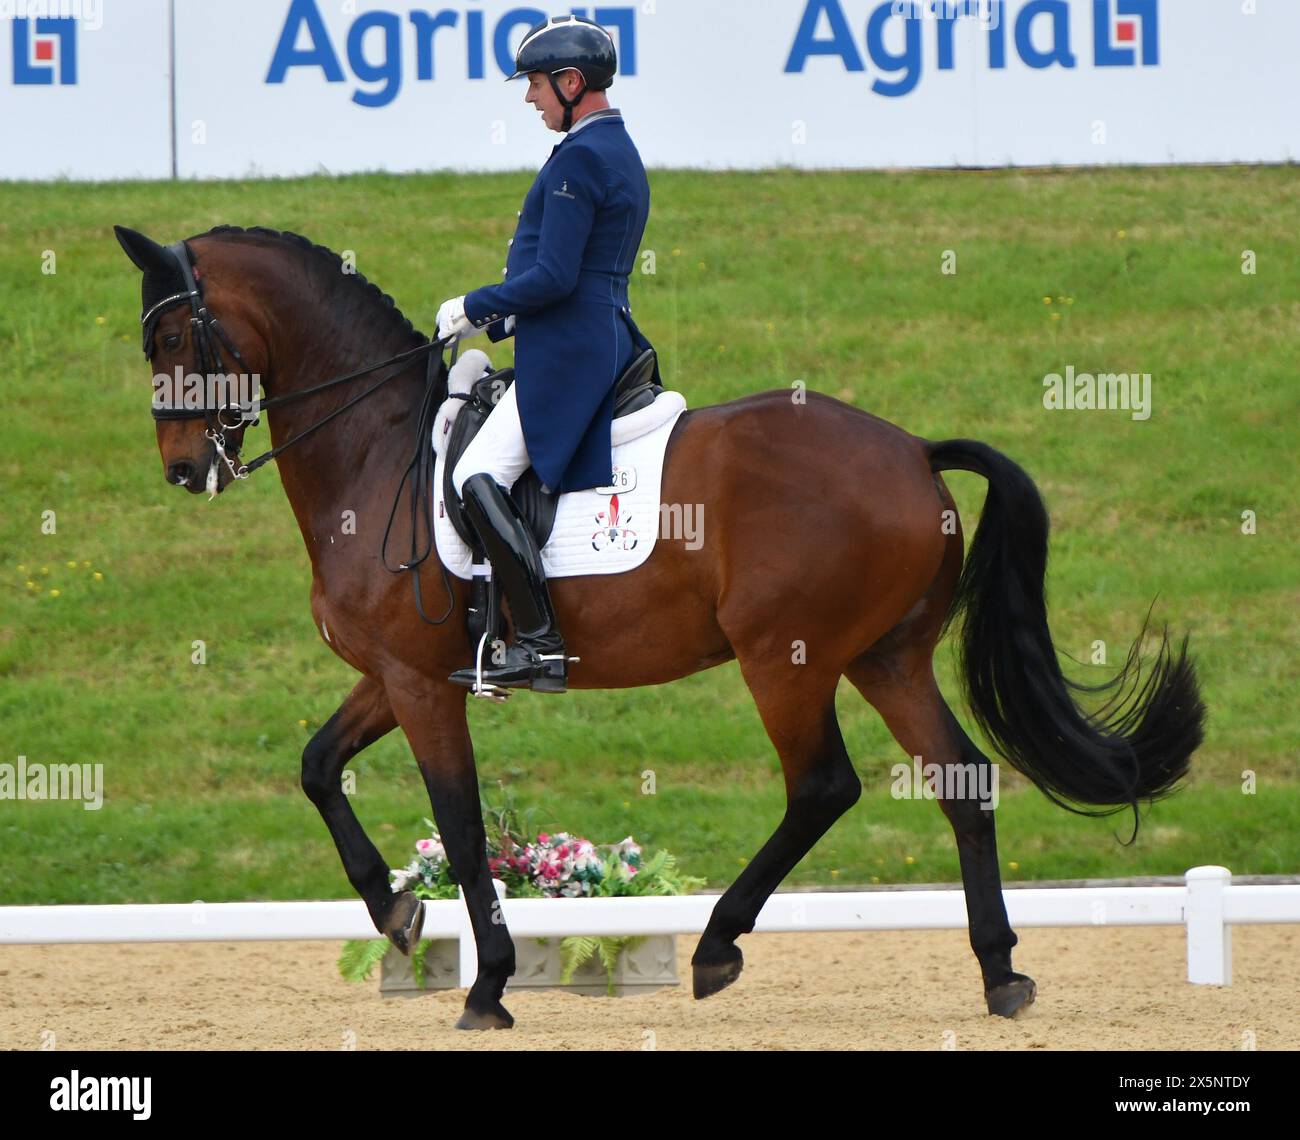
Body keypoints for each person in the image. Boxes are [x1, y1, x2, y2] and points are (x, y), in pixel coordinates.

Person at [436, 14, 656, 695]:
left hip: (569, 352)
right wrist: (502, 319)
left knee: (476, 476)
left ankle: (537, 643)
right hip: (598, 333)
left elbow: (557, 277)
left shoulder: (583, 157)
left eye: (535, 84)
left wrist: (473, 308)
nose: (529, 98)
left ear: (570, 82)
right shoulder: (613, 147)